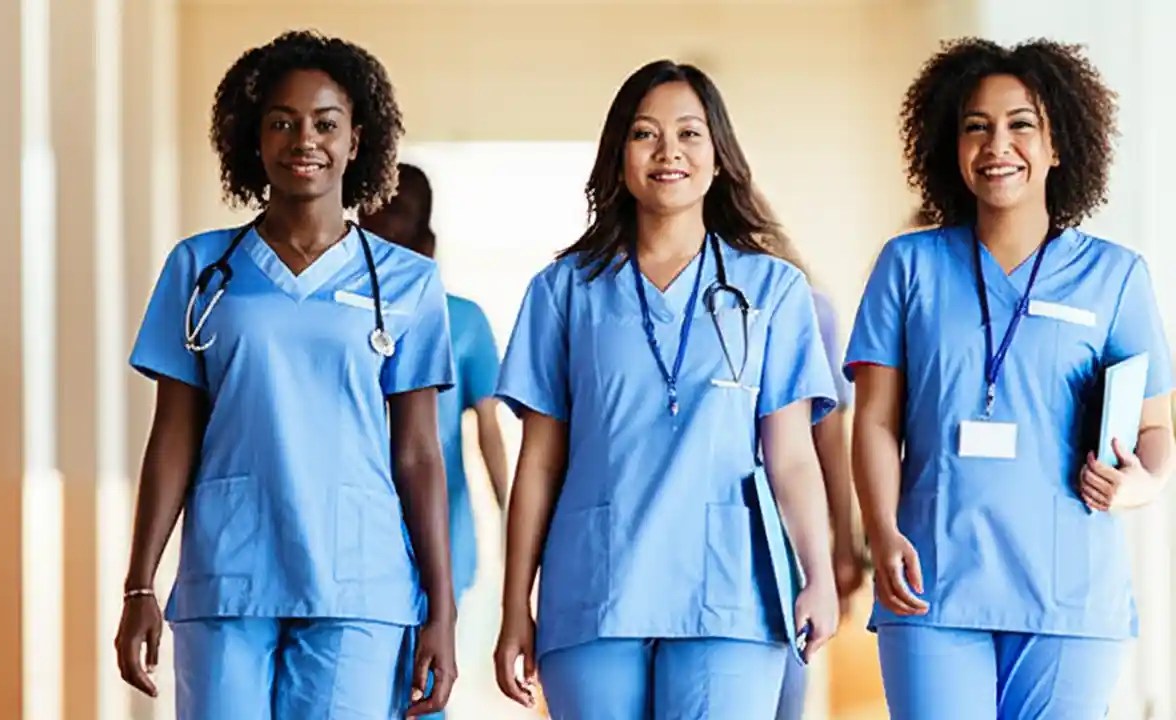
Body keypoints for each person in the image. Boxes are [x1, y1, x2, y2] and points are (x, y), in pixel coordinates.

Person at [114, 30, 458, 719]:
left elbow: (419, 453)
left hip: (360, 586)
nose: (305, 139)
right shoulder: (201, 269)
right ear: (254, 139)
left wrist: (441, 610)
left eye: (326, 123)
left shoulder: (408, 283)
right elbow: (172, 437)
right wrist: (139, 586)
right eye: (282, 122)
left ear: (356, 140)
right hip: (227, 577)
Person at [492, 59, 840, 719]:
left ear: (719, 157)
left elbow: (792, 455)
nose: (667, 152)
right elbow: (538, 461)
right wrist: (516, 606)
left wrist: (818, 575)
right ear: (618, 156)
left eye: (689, 134)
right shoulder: (563, 291)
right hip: (595, 590)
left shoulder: (772, 291)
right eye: (645, 135)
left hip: (732, 591)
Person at [845, 38, 1174, 719]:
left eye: (1022, 123)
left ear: (1059, 146)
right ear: (951, 146)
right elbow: (874, 419)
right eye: (976, 126)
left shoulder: (1115, 277)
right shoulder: (908, 266)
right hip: (930, 583)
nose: (998, 144)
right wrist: (880, 530)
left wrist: (1142, 482)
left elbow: (1154, 425)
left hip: (1069, 594)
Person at [361, 162, 510, 719]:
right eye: (378, 218)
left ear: (428, 240)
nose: (388, 232)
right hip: (357, 528)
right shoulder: (344, 311)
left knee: (423, 679)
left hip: (441, 533)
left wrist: (514, 520)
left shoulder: (462, 321)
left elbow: (488, 431)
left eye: (400, 218)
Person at [748, 191, 863, 720]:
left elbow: (828, 442)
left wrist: (845, 544)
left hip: (788, 534)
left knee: (782, 687)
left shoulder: (809, 308)